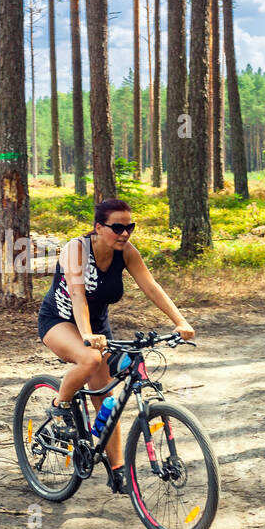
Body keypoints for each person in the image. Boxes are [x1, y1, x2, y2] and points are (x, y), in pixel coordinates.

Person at [36, 198, 194, 493]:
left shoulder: (126, 253)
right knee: (90, 360)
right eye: (117, 227)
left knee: (107, 399)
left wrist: (180, 322)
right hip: (59, 320)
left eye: (129, 226)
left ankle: (119, 470)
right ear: (98, 227)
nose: (125, 233)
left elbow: (151, 286)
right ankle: (60, 406)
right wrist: (87, 336)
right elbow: (77, 295)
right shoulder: (76, 250)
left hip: (97, 329)